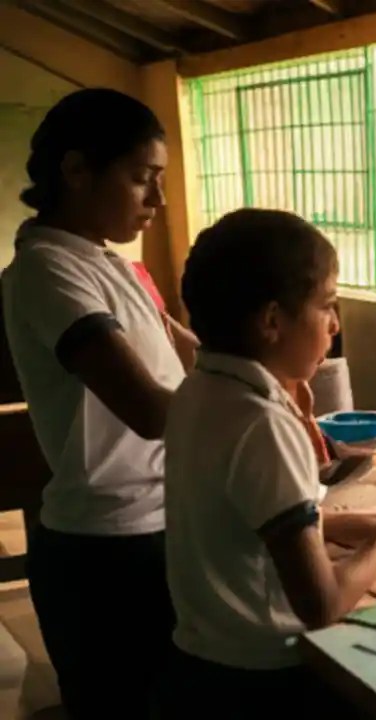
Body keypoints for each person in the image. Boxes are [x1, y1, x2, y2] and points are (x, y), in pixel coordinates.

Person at [161, 208, 376, 716]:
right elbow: (322, 605)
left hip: (201, 666)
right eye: (327, 306)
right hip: (268, 680)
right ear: (273, 321)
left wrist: (340, 524)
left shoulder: (197, 391)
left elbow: (241, 521)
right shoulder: (263, 423)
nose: (335, 325)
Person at [0, 88, 185, 718]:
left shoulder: (110, 264)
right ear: (76, 170)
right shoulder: (46, 269)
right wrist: (252, 413)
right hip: (108, 552)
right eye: (141, 179)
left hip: (160, 523)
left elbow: (195, 357)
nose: (158, 201)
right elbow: (149, 410)